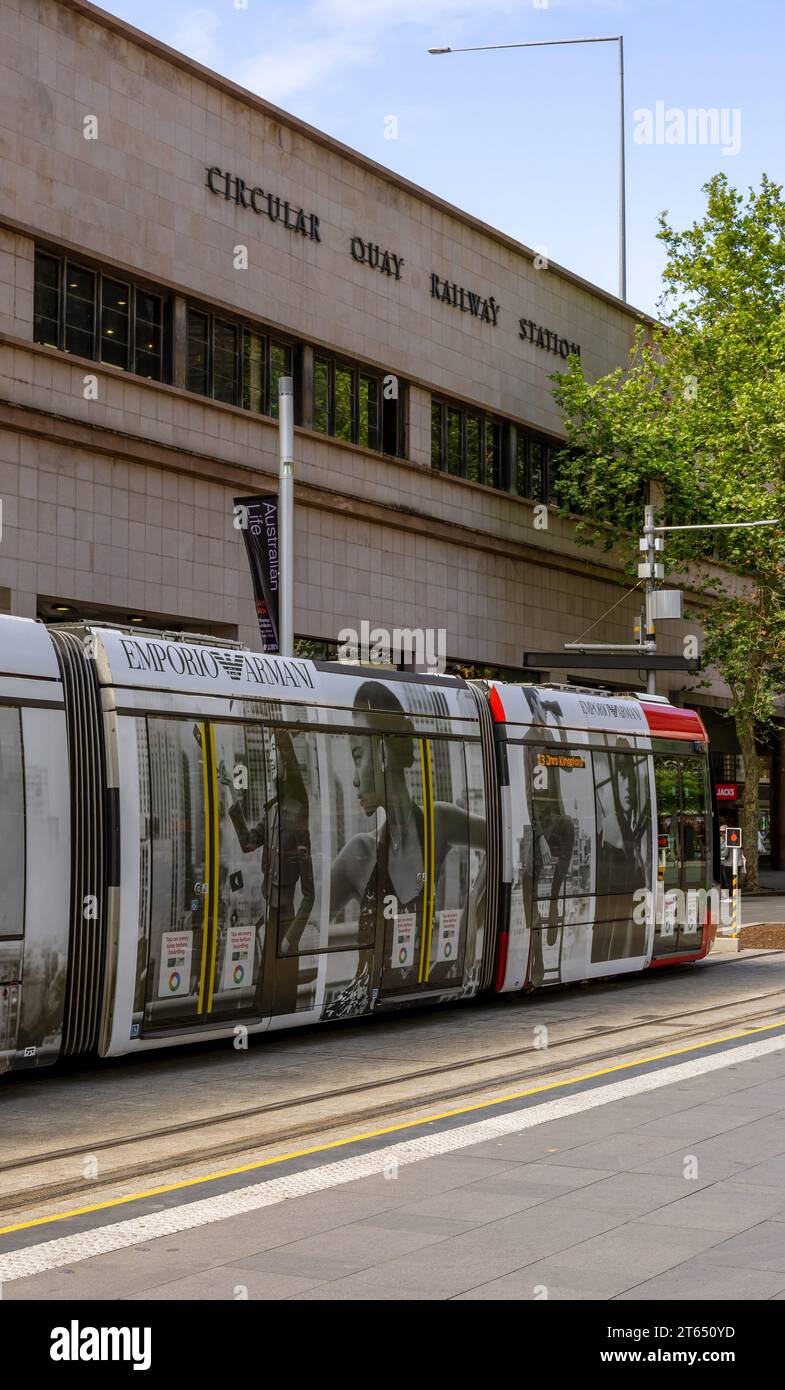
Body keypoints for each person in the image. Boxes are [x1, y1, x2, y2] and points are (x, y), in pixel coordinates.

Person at [329, 680, 485, 996]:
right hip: (363, 1003)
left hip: (413, 999)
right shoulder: (358, 852)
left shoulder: (439, 820)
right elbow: (307, 926)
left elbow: (505, 840)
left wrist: (471, 916)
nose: (356, 780)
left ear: (384, 752)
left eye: (358, 757)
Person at [220, 729, 314, 1013]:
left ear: (286, 759)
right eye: (268, 754)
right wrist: (230, 790)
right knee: (266, 995)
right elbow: (248, 842)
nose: (270, 760)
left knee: (282, 996)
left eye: (275, 754)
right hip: (269, 920)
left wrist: (291, 938)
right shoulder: (272, 812)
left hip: (285, 924)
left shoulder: (298, 814)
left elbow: (310, 895)